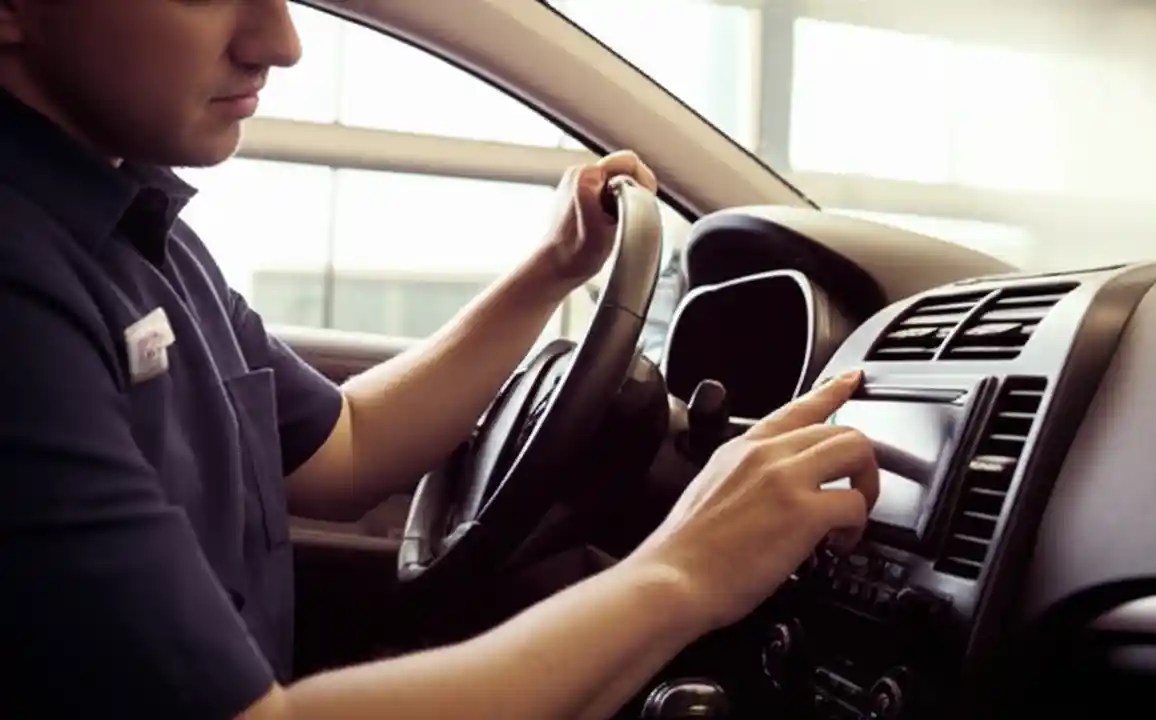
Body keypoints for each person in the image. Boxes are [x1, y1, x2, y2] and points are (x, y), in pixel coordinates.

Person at [0, 2, 880, 718]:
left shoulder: (142, 235)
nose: (282, 41)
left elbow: (348, 446)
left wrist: (553, 269)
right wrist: (688, 569)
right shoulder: (20, 291)